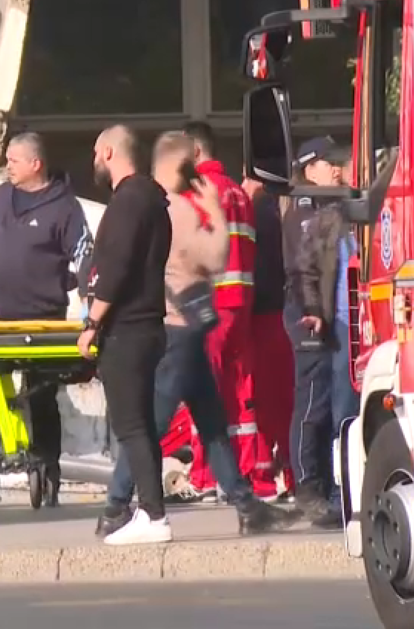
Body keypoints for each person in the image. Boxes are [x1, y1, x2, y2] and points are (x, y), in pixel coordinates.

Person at [96, 132, 299, 539]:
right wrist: (216, 214)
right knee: (150, 424)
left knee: (210, 423)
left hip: (176, 330)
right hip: (180, 334)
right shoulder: (176, 209)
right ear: (178, 165)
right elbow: (215, 258)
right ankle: (116, 505)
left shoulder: (150, 208)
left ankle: (245, 504)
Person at [0, 132, 93, 508]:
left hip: (42, 318)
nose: (6, 166)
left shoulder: (65, 206)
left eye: (13, 160)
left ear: (36, 163)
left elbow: (84, 256)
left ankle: (47, 472)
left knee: (42, 396)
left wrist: (88, 306)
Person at [170, 122, 274, 500]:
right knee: (241, 392)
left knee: (202, 391)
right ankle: (252, 473)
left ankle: (204, 476)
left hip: (209, 305)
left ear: (195, 152)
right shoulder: (239, 194)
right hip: (242, 304)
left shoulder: (198, 193)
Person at [78, 125, 172, 546]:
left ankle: (152, 515)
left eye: (97, 152)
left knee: (131, 428)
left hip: (127, 330)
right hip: (148, 326)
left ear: (111, 152)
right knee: (142, 427)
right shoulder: (152, 202)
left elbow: (115, 270)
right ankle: (150, 512)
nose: (94, 160)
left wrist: (92, 324)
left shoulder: (127, 203)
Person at [283, 136, 359, 529]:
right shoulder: (306, 208)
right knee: (312, 406)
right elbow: (302, 268)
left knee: (330, 406)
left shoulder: (332, 204)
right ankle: (308, 490)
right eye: (328, 162)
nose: (336, 167)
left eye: (337, 160)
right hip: (308, 316)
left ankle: (329, 490)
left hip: (327, 318)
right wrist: (313, 310)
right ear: (308, 168)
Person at [242, 167, 295, 501]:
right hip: (285, 313)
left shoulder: (254, 210)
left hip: (259, 315)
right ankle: (292, 474)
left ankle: (262, 478)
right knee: (286, 401)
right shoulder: (286, 210)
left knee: (260, 400)